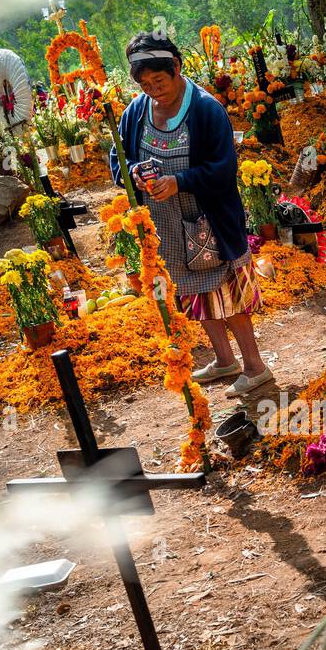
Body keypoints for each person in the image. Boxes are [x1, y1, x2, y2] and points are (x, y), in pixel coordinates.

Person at [109, 32, 274, 397]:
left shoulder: (205, 109)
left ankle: (255, 367)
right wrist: (134, 173)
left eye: (160, 81)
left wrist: (179, 181)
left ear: (177, 69)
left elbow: (223, 166)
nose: (153, 90)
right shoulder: (136, 112)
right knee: (192, 295)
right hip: (164, 225)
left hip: (207, 221)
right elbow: (117, 160)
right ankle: (224, 361)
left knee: (226, 295)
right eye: (145, 83)